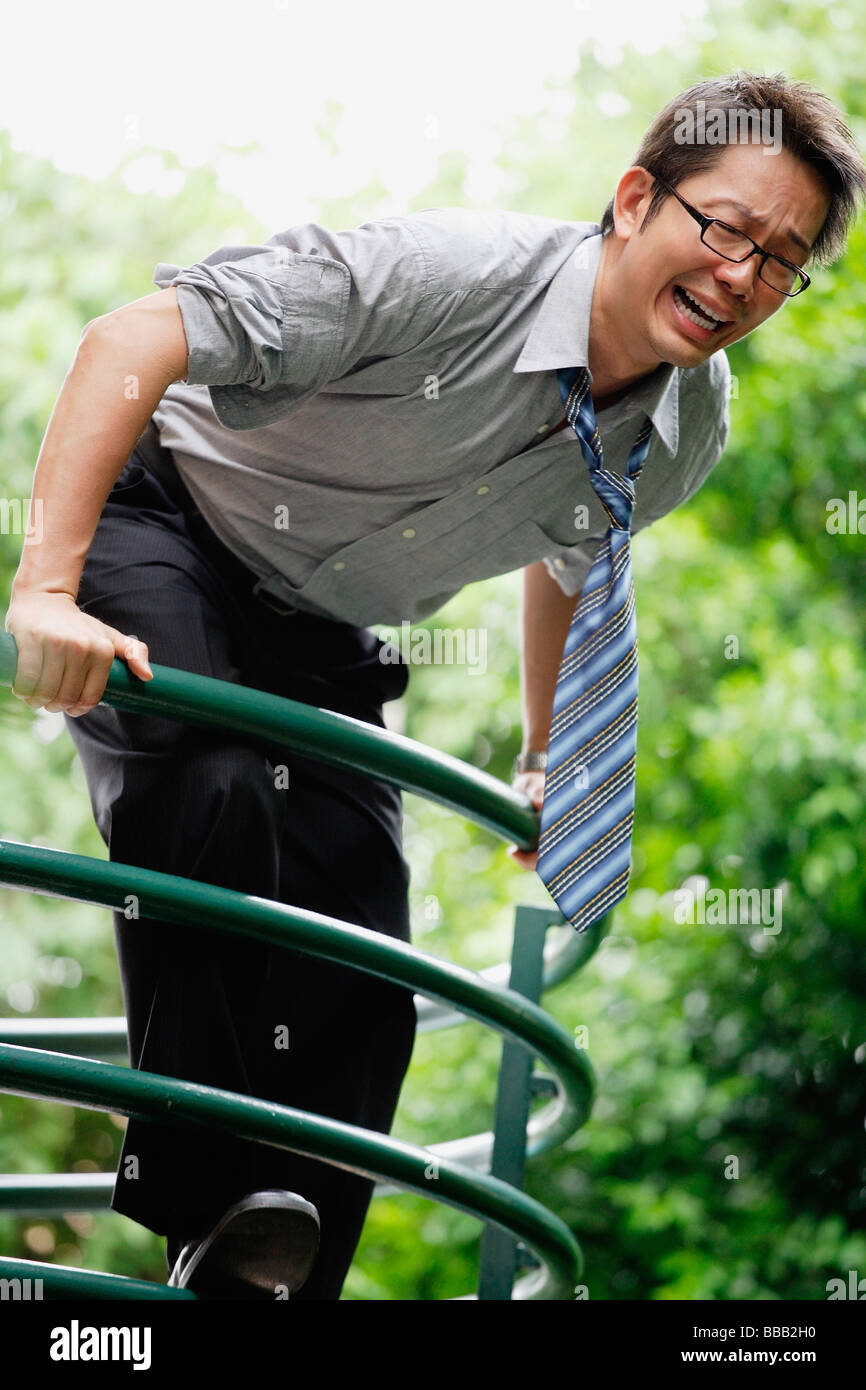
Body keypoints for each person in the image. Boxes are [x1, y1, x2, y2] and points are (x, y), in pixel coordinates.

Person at [4, 70, 864, 1300]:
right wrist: (47, 589)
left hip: (334, 620)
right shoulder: (445, 275)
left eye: (780, 263)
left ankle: (274, 1279)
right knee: (214, 779)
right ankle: (200, 1188)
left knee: (367, 947)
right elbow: (130, 339)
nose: (740, 277)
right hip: (176, 519)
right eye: (722, 227)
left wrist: (541, 747)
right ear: (633, 199)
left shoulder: (683, 430)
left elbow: (572, 544)